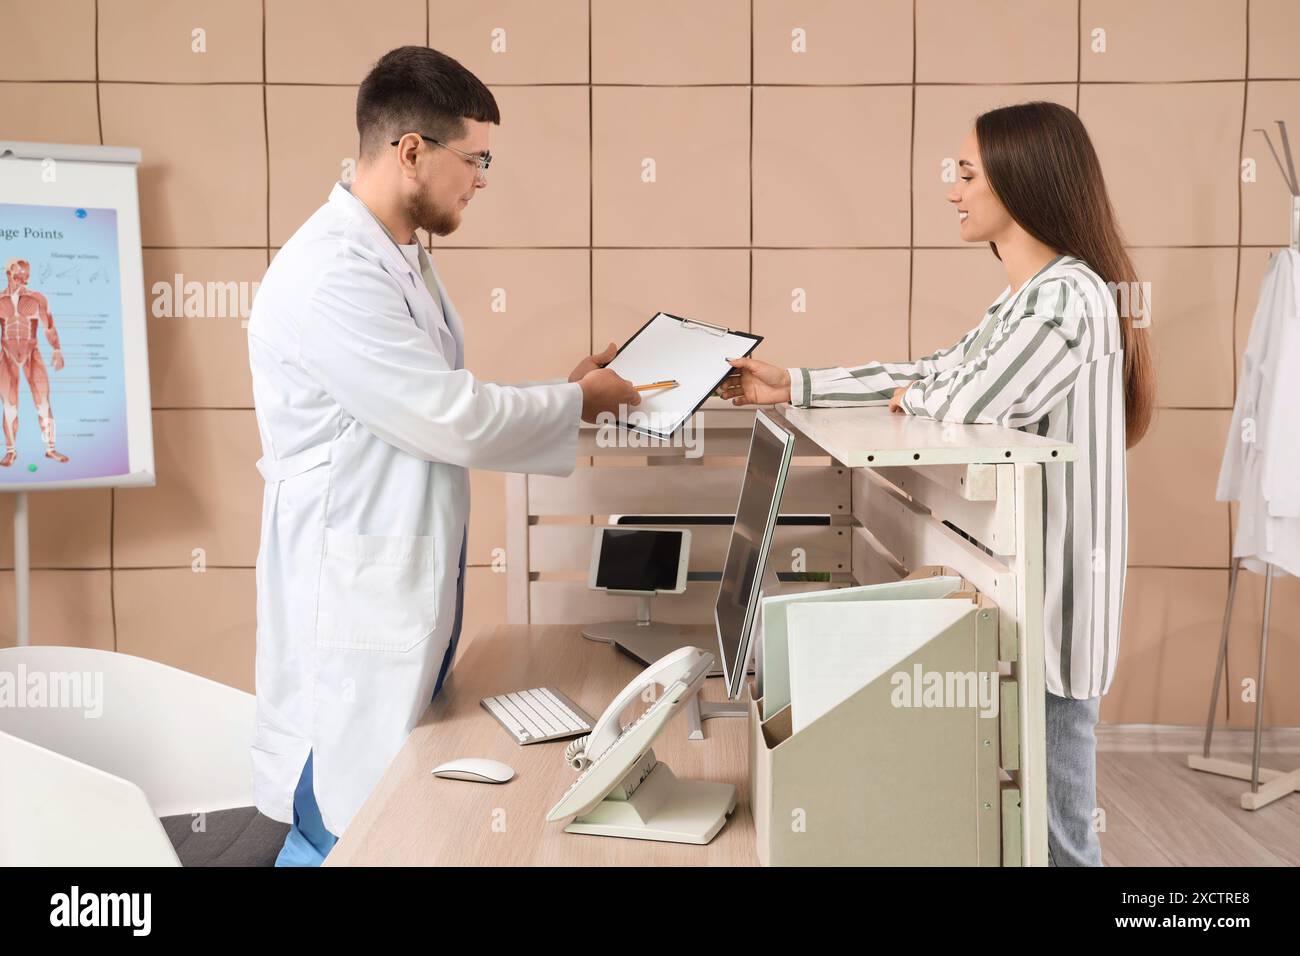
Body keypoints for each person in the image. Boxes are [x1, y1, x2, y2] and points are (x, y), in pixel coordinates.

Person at [719, 101, 1155, 867]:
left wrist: (916, 395)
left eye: (966, 175)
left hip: (1057, 603)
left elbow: (967, 398)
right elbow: (933, 374)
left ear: (1022, 182)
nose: (952, 191)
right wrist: (795, 383)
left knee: (1063, 843)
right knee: (1035, 832)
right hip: (1028, 585)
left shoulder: (1070, 297)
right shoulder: (1024, 299)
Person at [247, 46, 639, 866]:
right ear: (412, 151)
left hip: (394, 571)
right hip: (347, 592)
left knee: (383, 797)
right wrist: (576, 406)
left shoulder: (400, 257)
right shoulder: (330, 272)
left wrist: (563, 394)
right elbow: (446, 415)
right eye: (477, 158)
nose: (485, 178)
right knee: (341, 817)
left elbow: (431, 401)